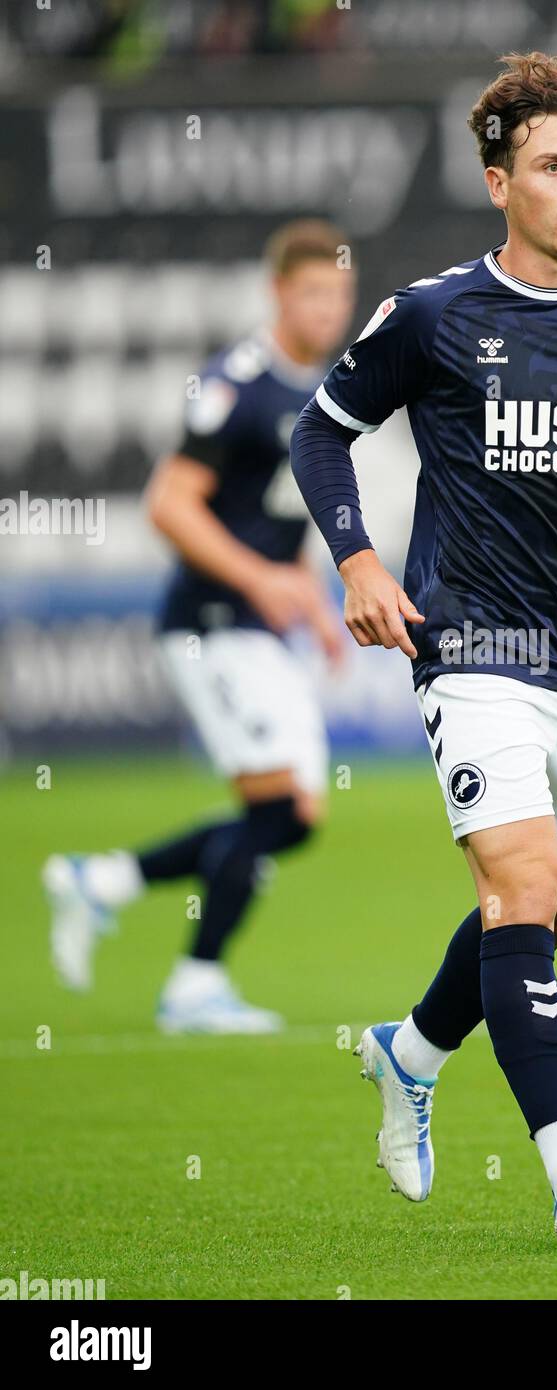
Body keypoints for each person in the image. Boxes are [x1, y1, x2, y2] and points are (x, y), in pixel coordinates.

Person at [291, 53, 557, 1245]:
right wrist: (359, 562)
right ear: (496, 183)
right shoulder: (431, 317)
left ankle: (408, 1049)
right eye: (551, 167)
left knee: (552, 911)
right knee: (517, 888)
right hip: (467, 644)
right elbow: (320, 437)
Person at [44, 220, 354, 1034]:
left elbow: (279, 519)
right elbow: (168, 504)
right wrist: (260, 582)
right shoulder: (237, 382)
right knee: (274, 808)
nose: (328, 308)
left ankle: (105, 881)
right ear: (279, 293)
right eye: (313, 292)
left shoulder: (315, 388)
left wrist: (313, 605)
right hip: (213, 622)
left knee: (292, 817)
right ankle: (193, 984)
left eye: (339, 294)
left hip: (260, 625)